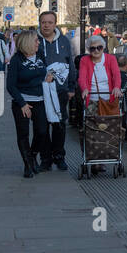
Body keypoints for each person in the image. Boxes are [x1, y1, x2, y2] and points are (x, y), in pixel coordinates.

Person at [6, 30, 50, 179]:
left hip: (40, 100)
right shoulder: (16, 60)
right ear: (27, 43)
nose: (38, 42)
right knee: (23, 134)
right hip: (22, 102)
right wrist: (23, 104)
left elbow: (45, 73)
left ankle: (32, 156)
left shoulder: (40, 55)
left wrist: (48, 78)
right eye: (36, 40)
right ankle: (28, 165)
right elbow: (10, 86)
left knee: (42, 132)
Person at [35, 10, 75, 171]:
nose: (46, 25)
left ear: (55, 24)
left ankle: (59, 156)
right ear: (40, 23)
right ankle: (45, 158)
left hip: (60, 90)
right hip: (40, 91)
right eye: (43, 22)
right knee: (42, 127)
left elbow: (70, 65)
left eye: (50, 22)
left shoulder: (64, 41)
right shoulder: (34, 40)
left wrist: (71, 87)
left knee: (59, 125)